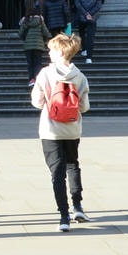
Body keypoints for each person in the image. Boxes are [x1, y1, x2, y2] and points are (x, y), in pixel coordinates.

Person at [32, 33, 90, 232]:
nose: (48, 52)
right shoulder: (80, 76)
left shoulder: (45, 74)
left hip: (51, 129)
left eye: (50, 49)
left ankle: (63, 215)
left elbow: (37, 102)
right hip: (72, 129)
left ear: (59, 51)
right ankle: (77, 206)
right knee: (73, 165)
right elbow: (84, 107)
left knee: (56, 173)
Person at [18, 4, 51, 86]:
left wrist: (25, 39)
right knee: (38, 64)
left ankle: (31, 80)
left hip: (28, 47)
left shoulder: (26, 21)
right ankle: (37, 79)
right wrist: (43, 41)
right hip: (38, 46)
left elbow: (20, 33)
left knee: (30, 64)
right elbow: (46, 33)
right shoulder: (40, 21)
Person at [72, 0, 102, 64]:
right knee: (90, 37)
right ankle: (89, 57)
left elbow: (78, 6)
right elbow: (98, 6)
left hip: (82, 18)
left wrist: (85, 14)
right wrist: (90, 14)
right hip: (92, 18)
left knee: (82, 34)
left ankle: (84, 49)